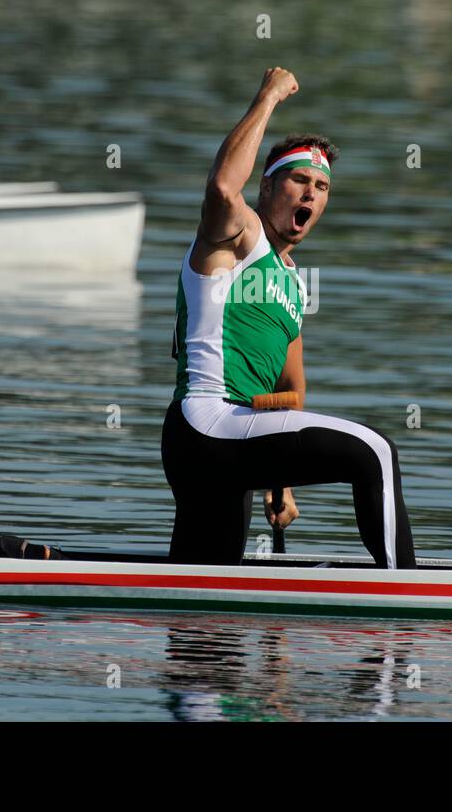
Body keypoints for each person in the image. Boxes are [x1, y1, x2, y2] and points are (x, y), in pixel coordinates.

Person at [162, 67, 416, 569]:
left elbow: (290, 389)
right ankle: (408, 593)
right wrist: (269, 96)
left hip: (228, 446)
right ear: (267, 186)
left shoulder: (296, 282)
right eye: (299, 180)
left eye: (321, 186)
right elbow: (222, 187)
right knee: (375, 451)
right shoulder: (237, 238)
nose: (311, 193)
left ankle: (36, 562)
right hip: (207, 422)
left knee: (205, 590)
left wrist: (280, 482)